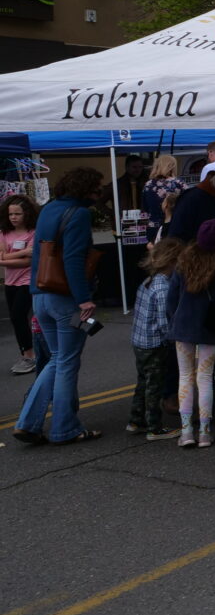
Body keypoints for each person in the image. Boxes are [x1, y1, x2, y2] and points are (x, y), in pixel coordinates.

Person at [11, 167, 103, 446]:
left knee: (56, 358)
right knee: (65, 362)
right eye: (97, 189)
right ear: (85, 189)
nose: (100, 194)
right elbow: (73, 260)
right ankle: (65, 428)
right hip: (65, 298)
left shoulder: (49, 209)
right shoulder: (80, 214)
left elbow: (41, 254)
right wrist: (84, 298)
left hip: (40, 295)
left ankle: (28, 422)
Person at [166, 218, 215, 448]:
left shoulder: (183, 262)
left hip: (183, 326)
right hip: (211, 327)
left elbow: (172, 299)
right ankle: (205, 432)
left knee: (185, 376)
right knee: (205, 377)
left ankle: (187, 431)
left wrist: (173, 321)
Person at [127, 236, 184, 440]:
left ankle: (136, 420)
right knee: (155, 385)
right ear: (172, 261)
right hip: (154, 344)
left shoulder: (149, 281)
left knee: (143, 381)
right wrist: (176, 338)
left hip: (140, 340)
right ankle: (154, 427)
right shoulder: (163, 288)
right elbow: (163, 322)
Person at [2, 193, 39, 375]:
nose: (14, 218)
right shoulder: (4, 233)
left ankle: (30, 355)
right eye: (10, 214)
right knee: (16, 319)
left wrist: (5, 258)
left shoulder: (33, 233)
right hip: (10, 282)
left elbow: (28, 262)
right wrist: (23, 252)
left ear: (27, 214)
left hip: (27, 280)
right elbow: (4, 257)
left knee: (18, 315)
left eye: (17, 214)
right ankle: (26, 353)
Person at [139, 154, 187, 242]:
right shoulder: (179, 183)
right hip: (173, 226)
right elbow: (187, 206)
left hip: (153, 227)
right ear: (172, 167)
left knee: (156, 254)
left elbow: (144, 208)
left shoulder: (148, 185)